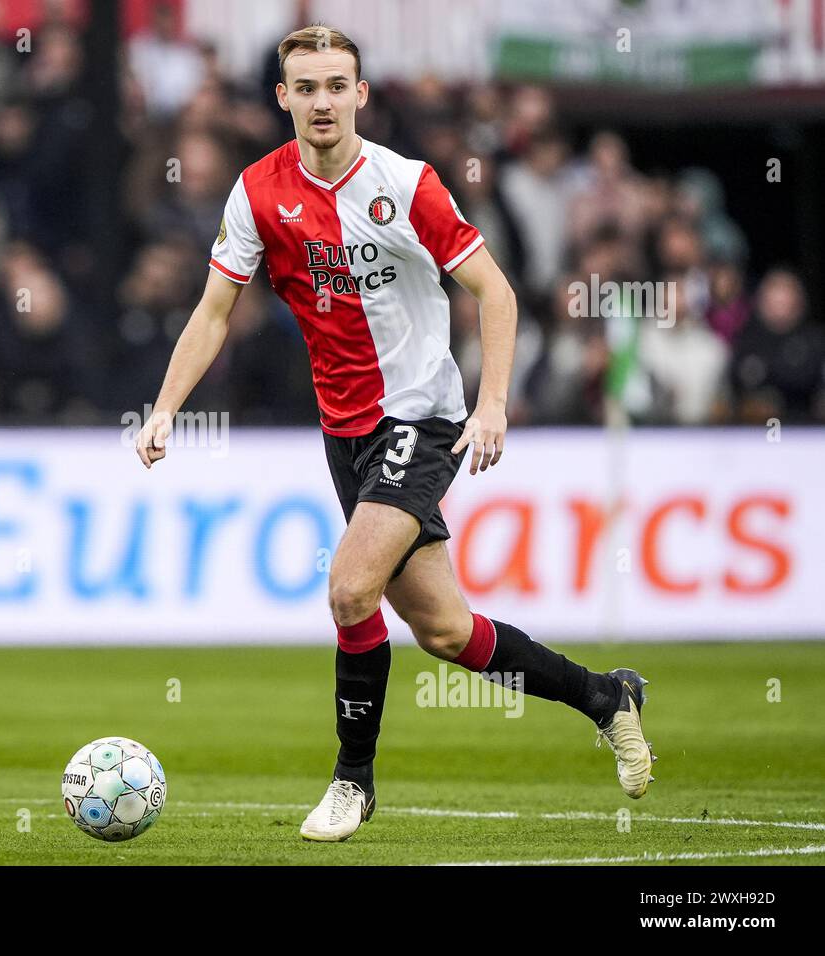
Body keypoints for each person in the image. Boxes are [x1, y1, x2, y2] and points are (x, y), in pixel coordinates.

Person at [133, 25, 656, 843]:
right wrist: (165, 406)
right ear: (283, 98)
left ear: (361, 94)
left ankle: (353, 780)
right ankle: (604, 696)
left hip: (421, 415)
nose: (322, 102)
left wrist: (492, 405)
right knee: (447, 631)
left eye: (337, 85)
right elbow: (212, 310)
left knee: (349, 588)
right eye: (305, 88)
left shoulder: (407, 185)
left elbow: (497, 292)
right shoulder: (256, 194)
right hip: (344, 431)